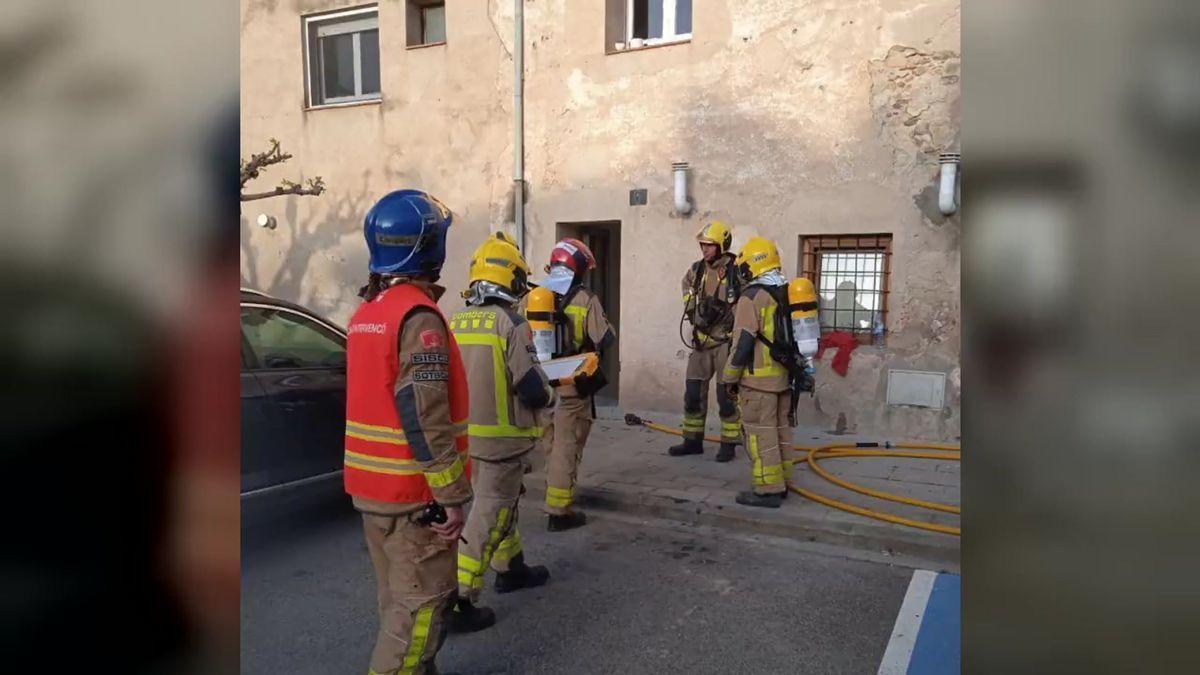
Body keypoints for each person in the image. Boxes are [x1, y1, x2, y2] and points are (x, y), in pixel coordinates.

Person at [343, 189, 484, 675]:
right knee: (421, 609)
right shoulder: (418, 317)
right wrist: (451, 494)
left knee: (395, 599)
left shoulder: (368, 312)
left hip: (373, 491)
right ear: (431, 247)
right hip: (414, 495)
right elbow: (425, 413)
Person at [448, 232, 554, 630]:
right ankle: (458, 597)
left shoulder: (453, 320)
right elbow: (531, 387)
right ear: (510, 278)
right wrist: (551, 393)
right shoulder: (511, 323)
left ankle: (511, 566)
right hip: (503, 440)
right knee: (489, 513)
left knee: (500, 504)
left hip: (466, 437)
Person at [523, 238, 615, 531]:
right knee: (567, 447)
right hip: (571, 385)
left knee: (551, 444)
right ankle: (559, 511)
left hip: (542, 384)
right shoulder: (585, 298)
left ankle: (554, 494)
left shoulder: (533, 295)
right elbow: (605, 338)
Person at [721, 236, 797, 508]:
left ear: (751, 265)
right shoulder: (785, 292)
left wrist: (729, 378)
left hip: (757, 383)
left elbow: (742, 344)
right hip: (783, 379)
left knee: (759, 435)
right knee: (780, 431)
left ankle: (768, 489)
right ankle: (783, 483)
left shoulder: (751, 297)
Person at [668, 220, 743, 462]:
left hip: (725, 343)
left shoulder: (736, 270)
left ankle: (729, 443)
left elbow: (748, 300)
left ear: (722, 245)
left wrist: (732, 316)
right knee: (693, 393)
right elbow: (686, 288)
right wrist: (694, 313)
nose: (704, 249)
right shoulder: (697, 270)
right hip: (701, 341)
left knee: (726, 397)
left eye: (709, 245)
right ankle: (692, 441)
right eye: (702, 245)